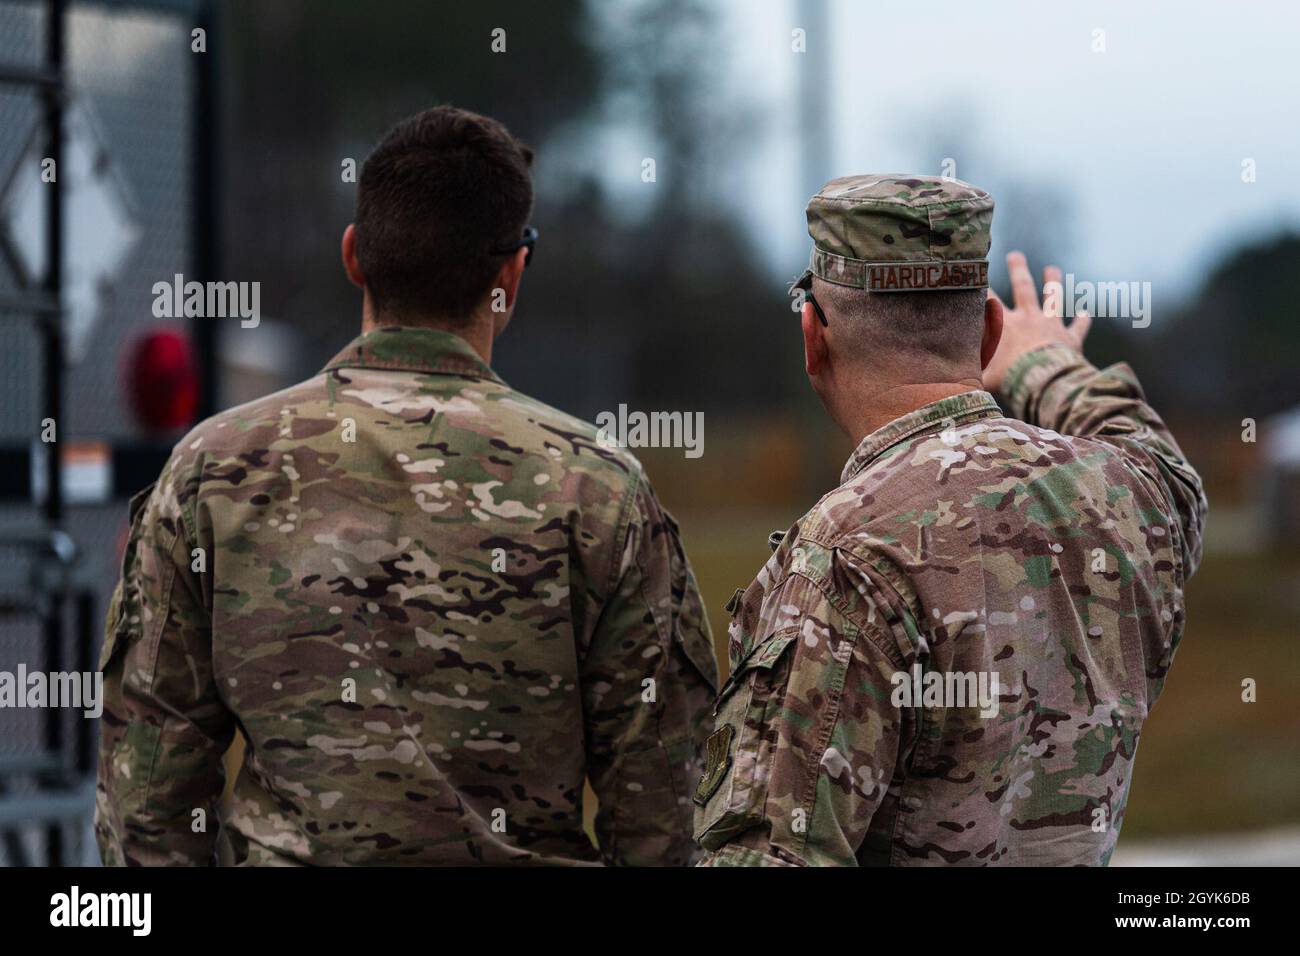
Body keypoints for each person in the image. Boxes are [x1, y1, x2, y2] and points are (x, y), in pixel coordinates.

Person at [96, 106, 717, 866]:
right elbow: (665, 810)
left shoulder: (208, 471)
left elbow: (147, 803)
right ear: (511, 274)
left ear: (354, 255)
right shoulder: (598, 488)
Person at [693, 174, 1206, 866]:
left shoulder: (845, 555)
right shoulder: (1130, 498)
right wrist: (1048, 366)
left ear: (812, 335)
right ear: (991, 330)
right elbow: (1164, 465)